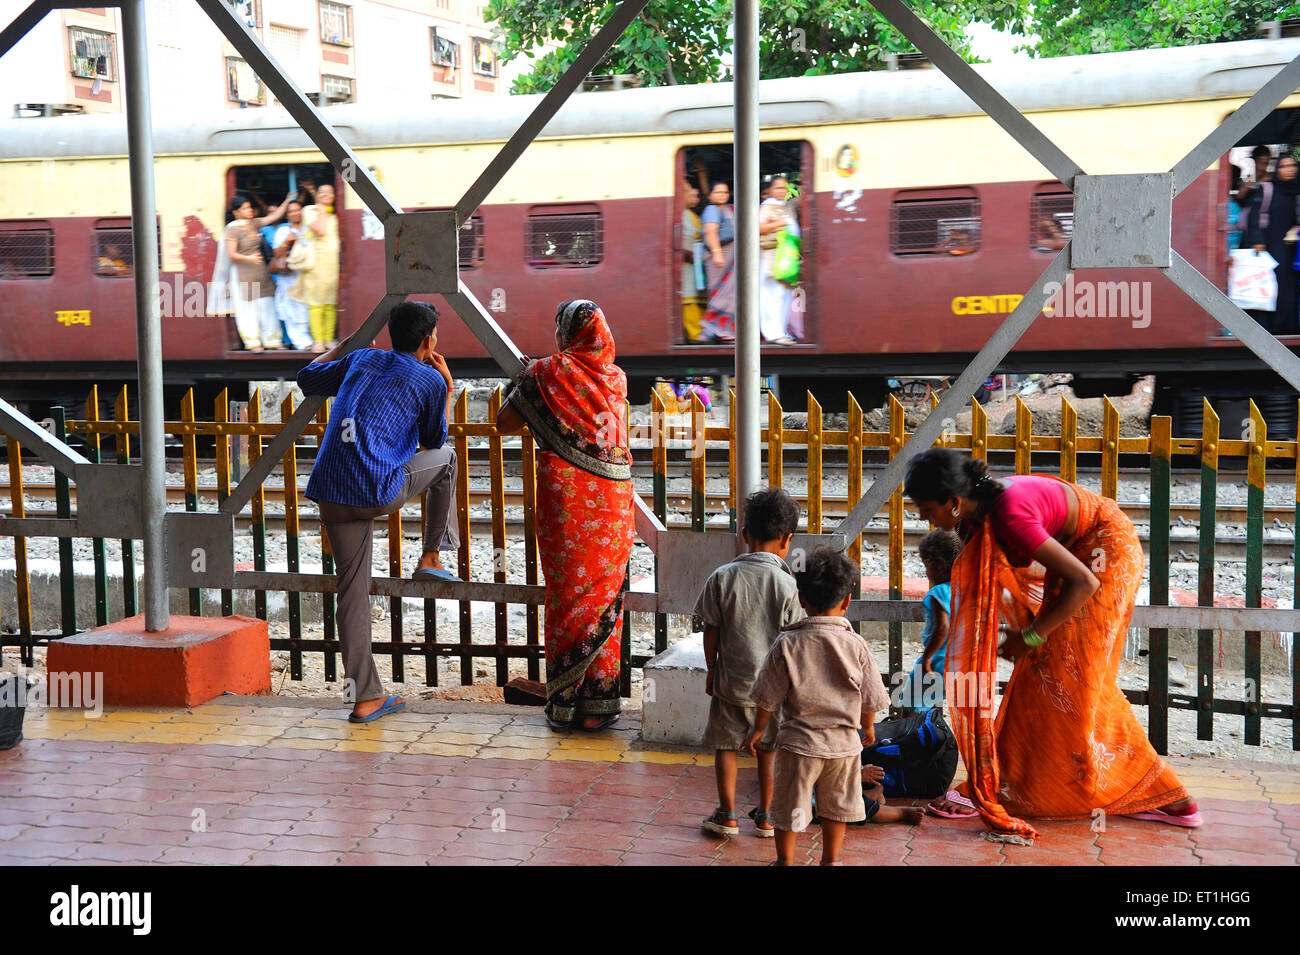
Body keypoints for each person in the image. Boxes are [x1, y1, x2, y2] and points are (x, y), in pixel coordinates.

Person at [903, 448, 1201, 838]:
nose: (925, 520)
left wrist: (1030, 635)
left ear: (954, 502)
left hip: (1102, 556)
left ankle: (1166, 795)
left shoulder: (1008, 514)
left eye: (926, 510)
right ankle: (1004, 782)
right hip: (1082, 552)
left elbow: (1084, 582)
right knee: (1052, 677)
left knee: (1074, 679)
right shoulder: (983, 511)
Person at [296, 301, 461, 723]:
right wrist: (446, 388)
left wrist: (344, 346)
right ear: (428, 341)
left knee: (351, 593)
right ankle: (432, 555)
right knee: (449, 459)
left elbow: (306, 377)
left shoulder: (361, 358)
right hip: (376, 489)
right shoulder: (427, 379)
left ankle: (365, 697)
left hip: (331, 489)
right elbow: (433, 440)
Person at [495, 300, 635, 731]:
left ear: (566, 333)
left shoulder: (548, 372)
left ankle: (566, 705)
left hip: (567, 499)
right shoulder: (617, 378)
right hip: (612, 501)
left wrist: (521, 381)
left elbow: (505, 423)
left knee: (569, 597)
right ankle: (598, 708)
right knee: (603, 596)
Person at [747, 548, 892, 866]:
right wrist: (867, 727)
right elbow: (869, 696)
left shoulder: (787, 643)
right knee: (836, 807)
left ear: (801, 599)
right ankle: (831, 859)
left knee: (788, 806)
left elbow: (767, 695)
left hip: (799, 745)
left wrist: (758, 730)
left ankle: (785, 860)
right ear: (847, 601)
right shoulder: (857, 644)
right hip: (843, 747)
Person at [695, 487, 804, 839]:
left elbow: (711, 629)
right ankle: (767, 817)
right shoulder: (787, 584)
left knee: (726, 746)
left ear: (744, 534)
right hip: (771, 693)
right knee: (768, 751)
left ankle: (726, 815)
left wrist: (712, 667)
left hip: (730, 683)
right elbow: (794, 638)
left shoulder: (722, 576)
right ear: (787, 540)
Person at [209, 192, 293, 351]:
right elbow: (231, 253)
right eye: (245, 208)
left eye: (249, 208)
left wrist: (287, 200)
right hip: (243, 274)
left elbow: (275, 216)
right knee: (248, 309)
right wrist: (249, 258)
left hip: (261, 272)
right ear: (236, 212)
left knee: (266, 304)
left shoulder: (254, 224)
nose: (249, 211)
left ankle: (272, 340)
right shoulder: (232, 229)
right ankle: (252, 342)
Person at [894, 529, 961, 713]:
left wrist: (927, 657)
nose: (926, 571)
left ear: (938, 565)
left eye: (926, 565)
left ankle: (910, 737)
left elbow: (943, 626)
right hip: (963, 663)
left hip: (938, 661)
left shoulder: (938, 593)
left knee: (911, 703)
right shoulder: (968, 591)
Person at [1241, 151, 1298, 334]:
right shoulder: (1267, 189)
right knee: (1271, 284)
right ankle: (1269, 327)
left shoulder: (1296, 190)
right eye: (1283, 166)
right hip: (1270, 245)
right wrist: (1257, 240)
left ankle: (1288, 326)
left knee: (1289, 285)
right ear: (1277, 169)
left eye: (1292, 166)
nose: (1288, 170)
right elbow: (1254, 216)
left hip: (1292, 246)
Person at [294, 182, 340, 351]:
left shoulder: (334, 215)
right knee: (316, 304)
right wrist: (321, 211)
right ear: (317, 194)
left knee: (330, 303)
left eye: (330, 192)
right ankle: (318, 341)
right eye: (322, 192)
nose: (326, 195)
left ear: (335, 196)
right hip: (315, 265)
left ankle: (328, 339)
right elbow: (320, 230)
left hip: (332, 264)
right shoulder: (310, 210)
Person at [270, 200, 313, 351]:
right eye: (291, 211)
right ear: (287, 215)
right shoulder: (283, 231)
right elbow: (276, 254)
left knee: (307, 308)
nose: (295, 213)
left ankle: (309, 339)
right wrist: (286, 243)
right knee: (291, 309)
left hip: (307, 275)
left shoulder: (309, 229)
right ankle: (301, 342)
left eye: (297, 210)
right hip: (289, 277)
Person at [759, 176, 797, 344]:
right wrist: (779, 223)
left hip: (787, 257)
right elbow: (758, 228)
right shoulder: (766, 207)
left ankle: (781, 331)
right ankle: (773, 333)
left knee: (784, 294)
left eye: (784, 188)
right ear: (771, 190)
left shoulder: (786, 206)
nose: (782, 191)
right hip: (771, 256)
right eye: (778, 188)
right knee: (772, 295)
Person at [700, 182, 737, 343]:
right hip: (719, 257)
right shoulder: (712, 210)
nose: (722, 195)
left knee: (728, 293)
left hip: (728, 257)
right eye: (718, 192)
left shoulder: (727, 209)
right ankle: (713, 329)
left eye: (725, 192)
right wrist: (717, 254)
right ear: (710, 195)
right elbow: (710, 232)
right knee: (719, 292)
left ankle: (712, 331)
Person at [680, 182, 705, 342]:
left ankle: (700, 331)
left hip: (697, 262)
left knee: (698, 298)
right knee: (690, 299)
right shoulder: (682, 214)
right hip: (689, 264)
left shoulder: (692, 214)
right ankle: (694, 333)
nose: (695, 198)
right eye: (691, 195)